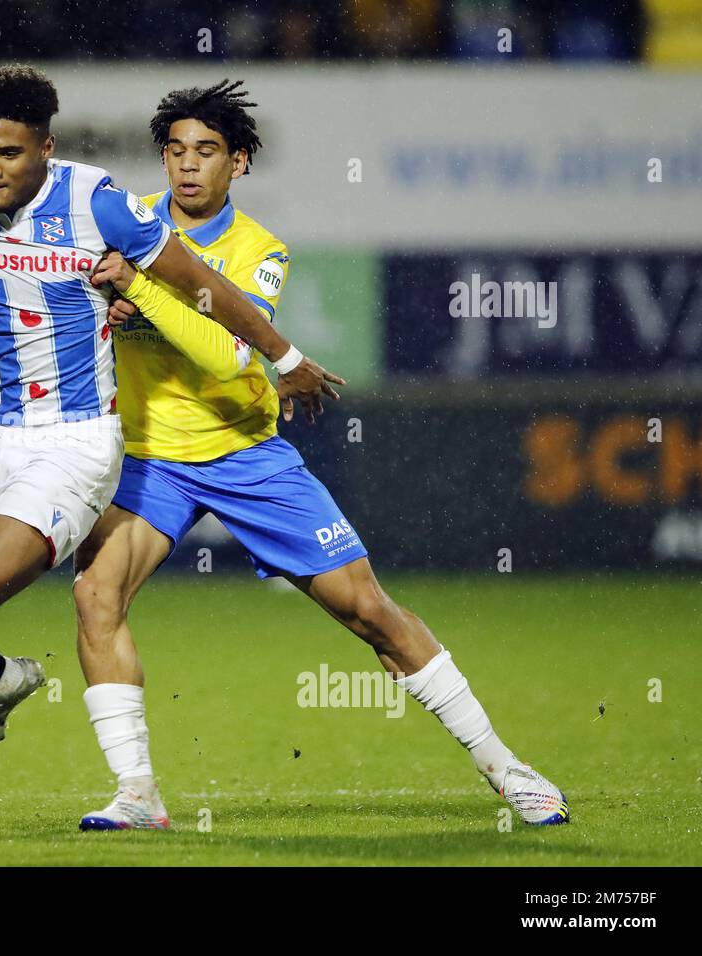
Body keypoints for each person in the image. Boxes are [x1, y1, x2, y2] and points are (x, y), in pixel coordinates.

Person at [0, 64, 343, 835]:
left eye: (11, 154)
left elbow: (204, 289)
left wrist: (285, 361)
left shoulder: (97, 207)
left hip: (77, 446)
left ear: (46, 150)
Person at [71, 79, 569, 830]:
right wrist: (98, 302)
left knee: (369, 611)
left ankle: (505, 765)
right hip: (147, 459)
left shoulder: (259, 251)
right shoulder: (125, 227)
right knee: (94, 596)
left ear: (237, 163)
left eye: (206, 152)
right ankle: (137, 793)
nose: (186, 167)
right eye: (175, 151)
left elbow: (224, 352)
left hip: (245, 452)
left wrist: (139, 289)